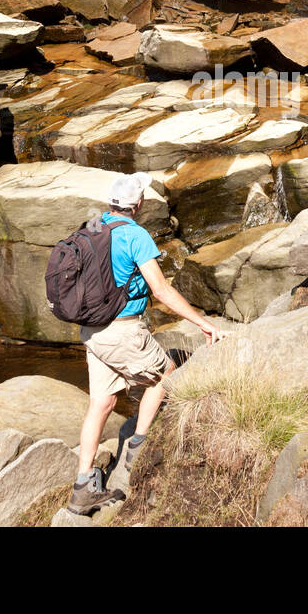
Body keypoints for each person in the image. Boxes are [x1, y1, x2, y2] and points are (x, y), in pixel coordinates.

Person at [68, 171, 225, 515]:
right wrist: (202, 322)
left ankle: (83, 486)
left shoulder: (92, 227)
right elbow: (161, 290)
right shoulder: (135, 235)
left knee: (102, 403)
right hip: (121, 330)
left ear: (112, 202)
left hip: (91, 331)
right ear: (138, 204)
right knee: (165, 372)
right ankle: (139, 445)